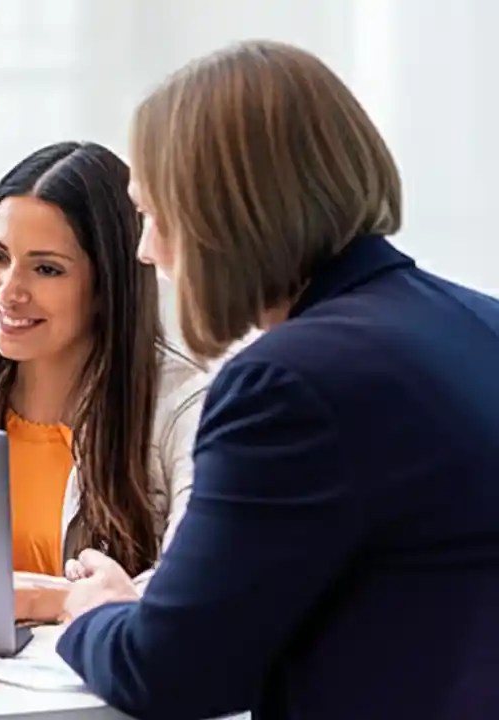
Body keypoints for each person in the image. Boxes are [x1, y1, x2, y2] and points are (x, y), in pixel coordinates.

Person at [55, 40, 499, 720]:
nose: (144, 250)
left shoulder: (287, 384)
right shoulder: (480, 324)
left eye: (150, 214)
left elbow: (171, 674)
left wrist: (95, 612)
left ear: (215, 213)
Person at [0, 141, 209, 621]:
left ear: (106, 285)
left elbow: (198, 582)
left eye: (46, 269)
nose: (9, 291)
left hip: (93, 667)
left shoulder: (184, 406)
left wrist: (48, 600)